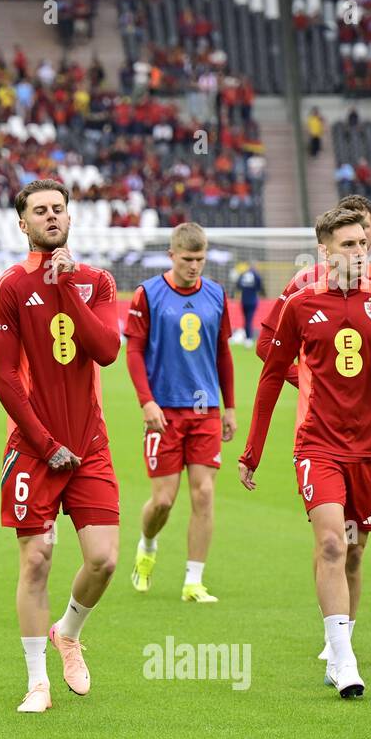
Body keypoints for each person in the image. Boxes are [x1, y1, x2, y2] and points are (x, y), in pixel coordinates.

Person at [239, 207, 371, 699]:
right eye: (347, 245)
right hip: (317, 444)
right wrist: (252, 451)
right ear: (324, 250)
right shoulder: (301, 303)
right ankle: (342, 657)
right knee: (331, 543)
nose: (358, 253)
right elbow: (268, 377)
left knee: (360, 542)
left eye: (362, 245)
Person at [0, 179, 122, 714]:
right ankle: (37, 682)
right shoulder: (10, 287)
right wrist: (44, 445)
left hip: (89, 444)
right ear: (22, 223)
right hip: (33, 448)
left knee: (105, 561)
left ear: (70, 217)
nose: (50, 216)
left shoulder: (97, 281)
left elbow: (107, 351)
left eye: (58, 209)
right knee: (37, 559)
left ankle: (67, 631)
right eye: (39, 210)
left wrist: (68, 288)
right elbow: (2, 379)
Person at [125, 223, 236, 602]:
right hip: (163, 412)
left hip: (205, 410)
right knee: (163, 501)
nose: (195, 266)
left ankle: (193, 580)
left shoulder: (217, 295)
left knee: (203, 494)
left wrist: (230, 407)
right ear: (172, 256)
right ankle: (147, 545)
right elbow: (134, 351)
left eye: (201, 259)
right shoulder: (149, 294)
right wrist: (146, 400)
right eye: (188, 259)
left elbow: (223, 354)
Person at [235, 260, 263, 342]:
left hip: (244, 300)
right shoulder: (256, 275)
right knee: (249, 319)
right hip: (252, 300)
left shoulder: (243, 274)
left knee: (245, 319)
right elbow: (259, 287)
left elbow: (238, 285)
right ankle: (249, 338)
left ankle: (247, 336)